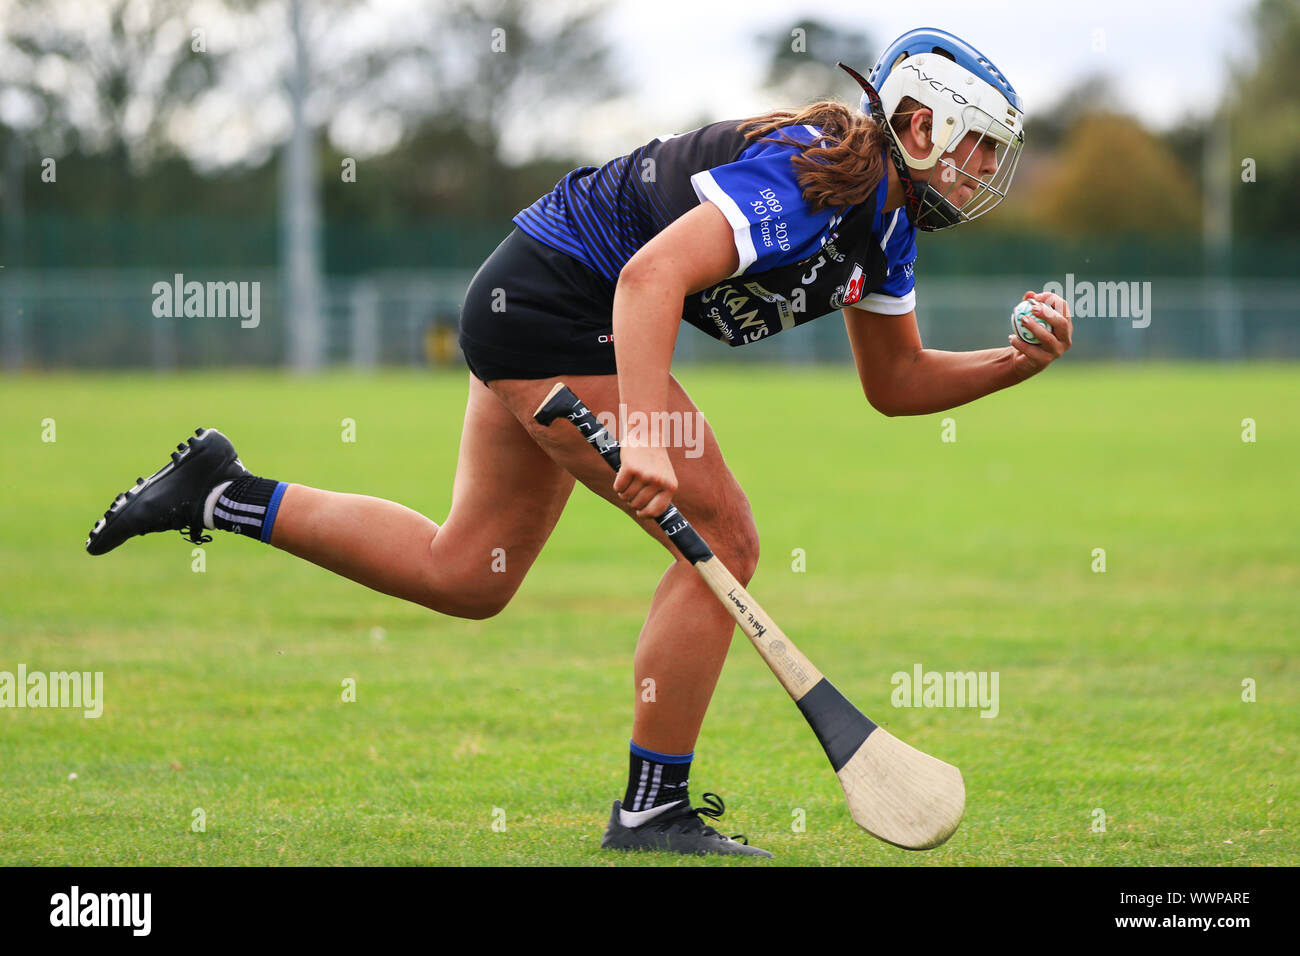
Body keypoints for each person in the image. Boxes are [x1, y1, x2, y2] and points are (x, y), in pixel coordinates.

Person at [85, 27, 1072, 859]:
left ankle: (220, 491)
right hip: (555, 304)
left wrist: (1012, 364)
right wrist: (644, 435)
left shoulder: (887, 231)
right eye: (979, 146)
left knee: (468, 570)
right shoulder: (811, 176)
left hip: (545, 301)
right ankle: (653, 805)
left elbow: (893, 384)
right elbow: (649, 279)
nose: (987, 172)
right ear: (918, 124)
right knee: (723, 534)